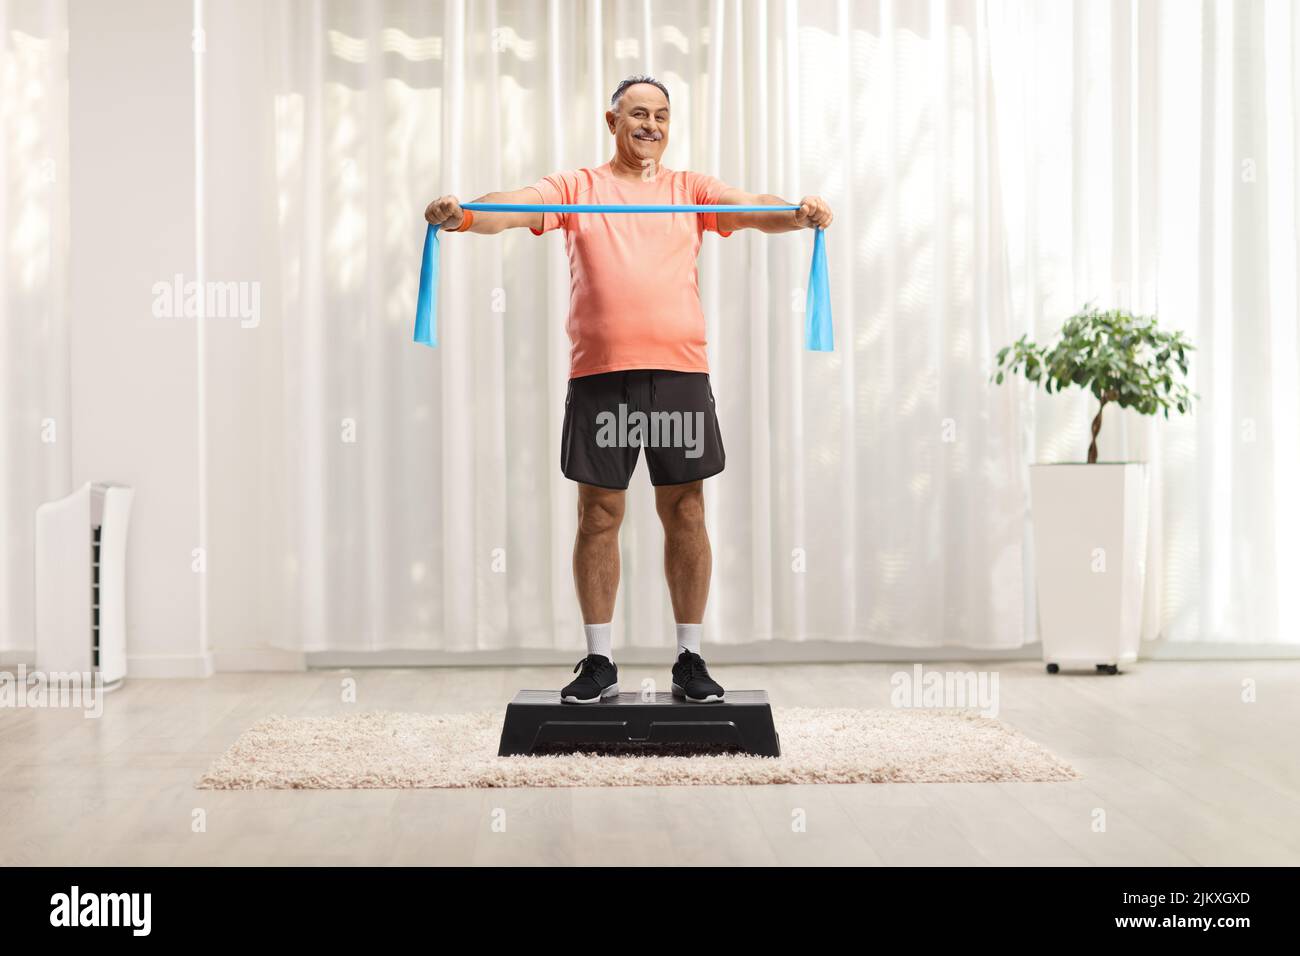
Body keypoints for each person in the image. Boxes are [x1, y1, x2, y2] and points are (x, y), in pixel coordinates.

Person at [424, 74, 833, 704]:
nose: (651, 125)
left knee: (686, 511)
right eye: (638, 113)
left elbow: (751, 208)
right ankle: (598, 660)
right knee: (599, 515)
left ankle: (690, 658)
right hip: (601, 378)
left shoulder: (689, 190)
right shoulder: (577, 188)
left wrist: (798, 214)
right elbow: (513, 206)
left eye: (662, 115)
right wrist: (464, 216)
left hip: (678, 374)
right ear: (611, 121)